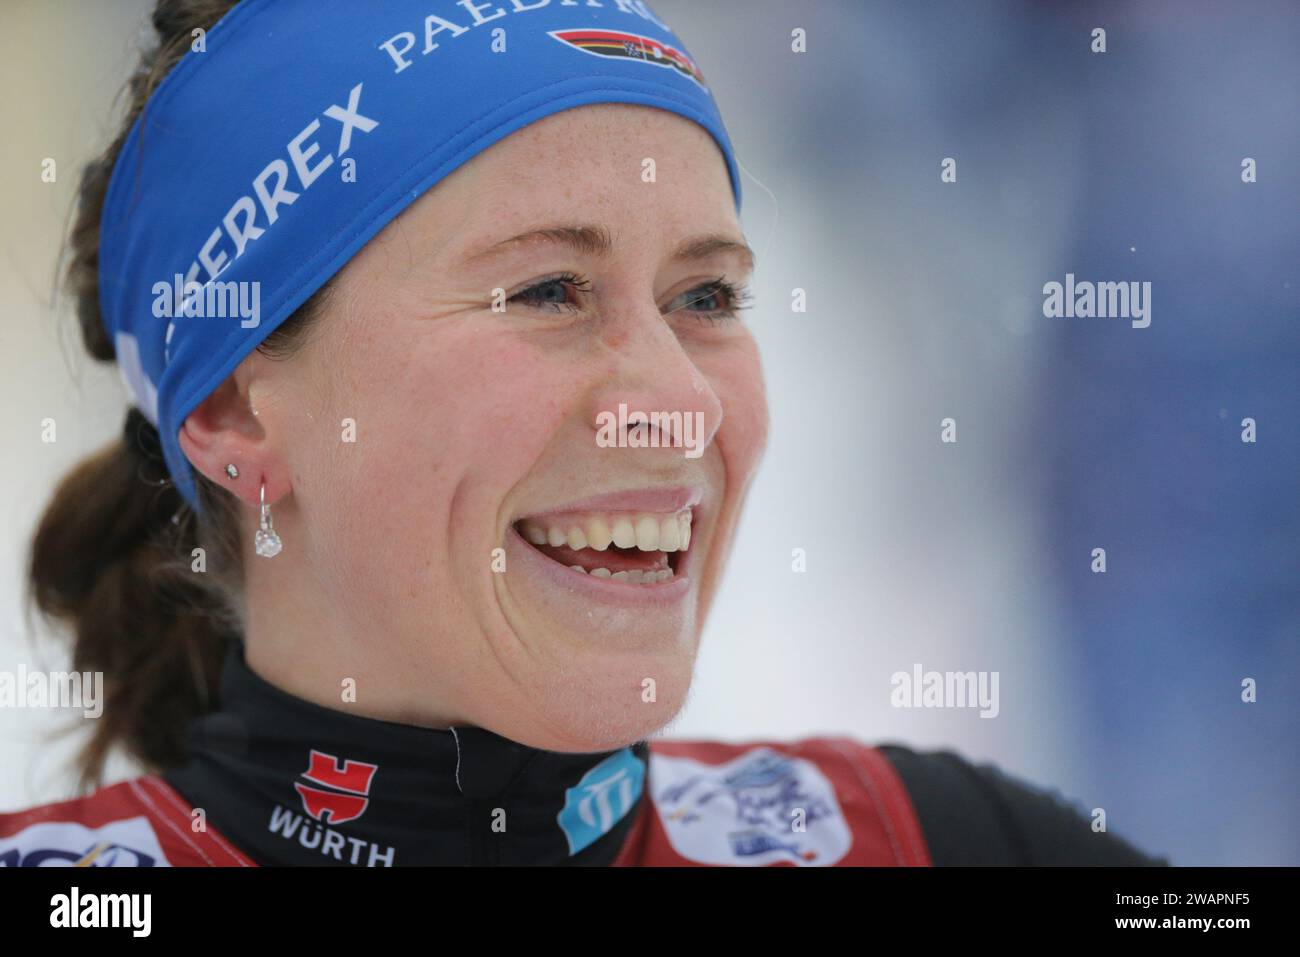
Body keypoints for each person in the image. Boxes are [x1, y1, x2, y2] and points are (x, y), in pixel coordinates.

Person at [1, 0, 1166, 867]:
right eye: (550, 290)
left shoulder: (933, 843)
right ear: (234, 412)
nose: (680, 403)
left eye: (704, 298)